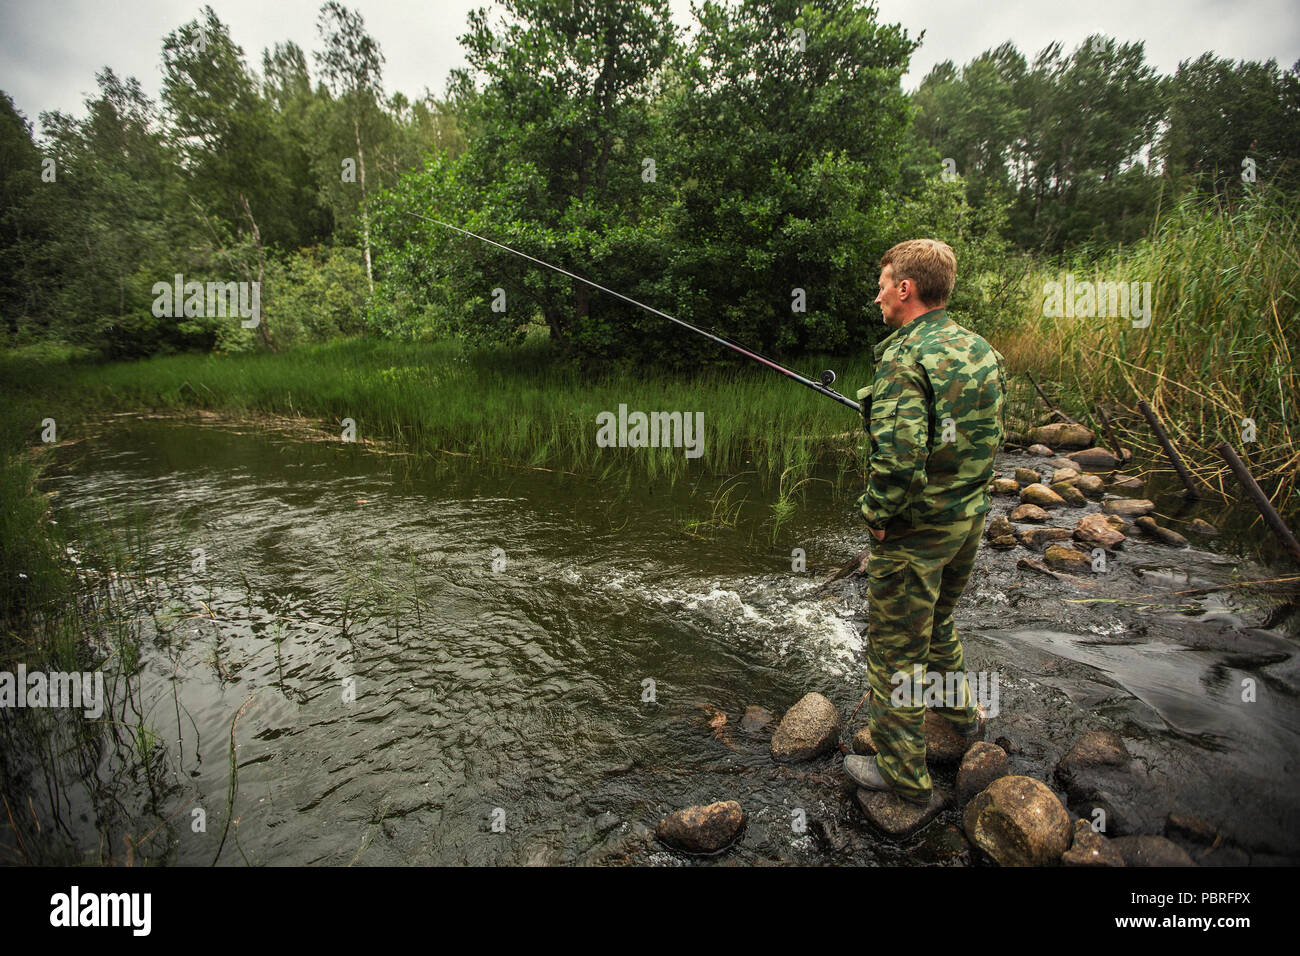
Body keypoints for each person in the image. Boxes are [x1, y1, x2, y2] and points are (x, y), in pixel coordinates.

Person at [843, 238, 1005, 807]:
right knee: (938, 623)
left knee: (893, 650)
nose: (879, 293)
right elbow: (988, 440)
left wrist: (877, 518)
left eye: (884, 282)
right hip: (970, 520)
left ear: (906, 288)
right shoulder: (981, 349)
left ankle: (904, 777)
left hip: (918, 532)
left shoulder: (903, 358)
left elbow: (900, 458)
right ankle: (962, 717)